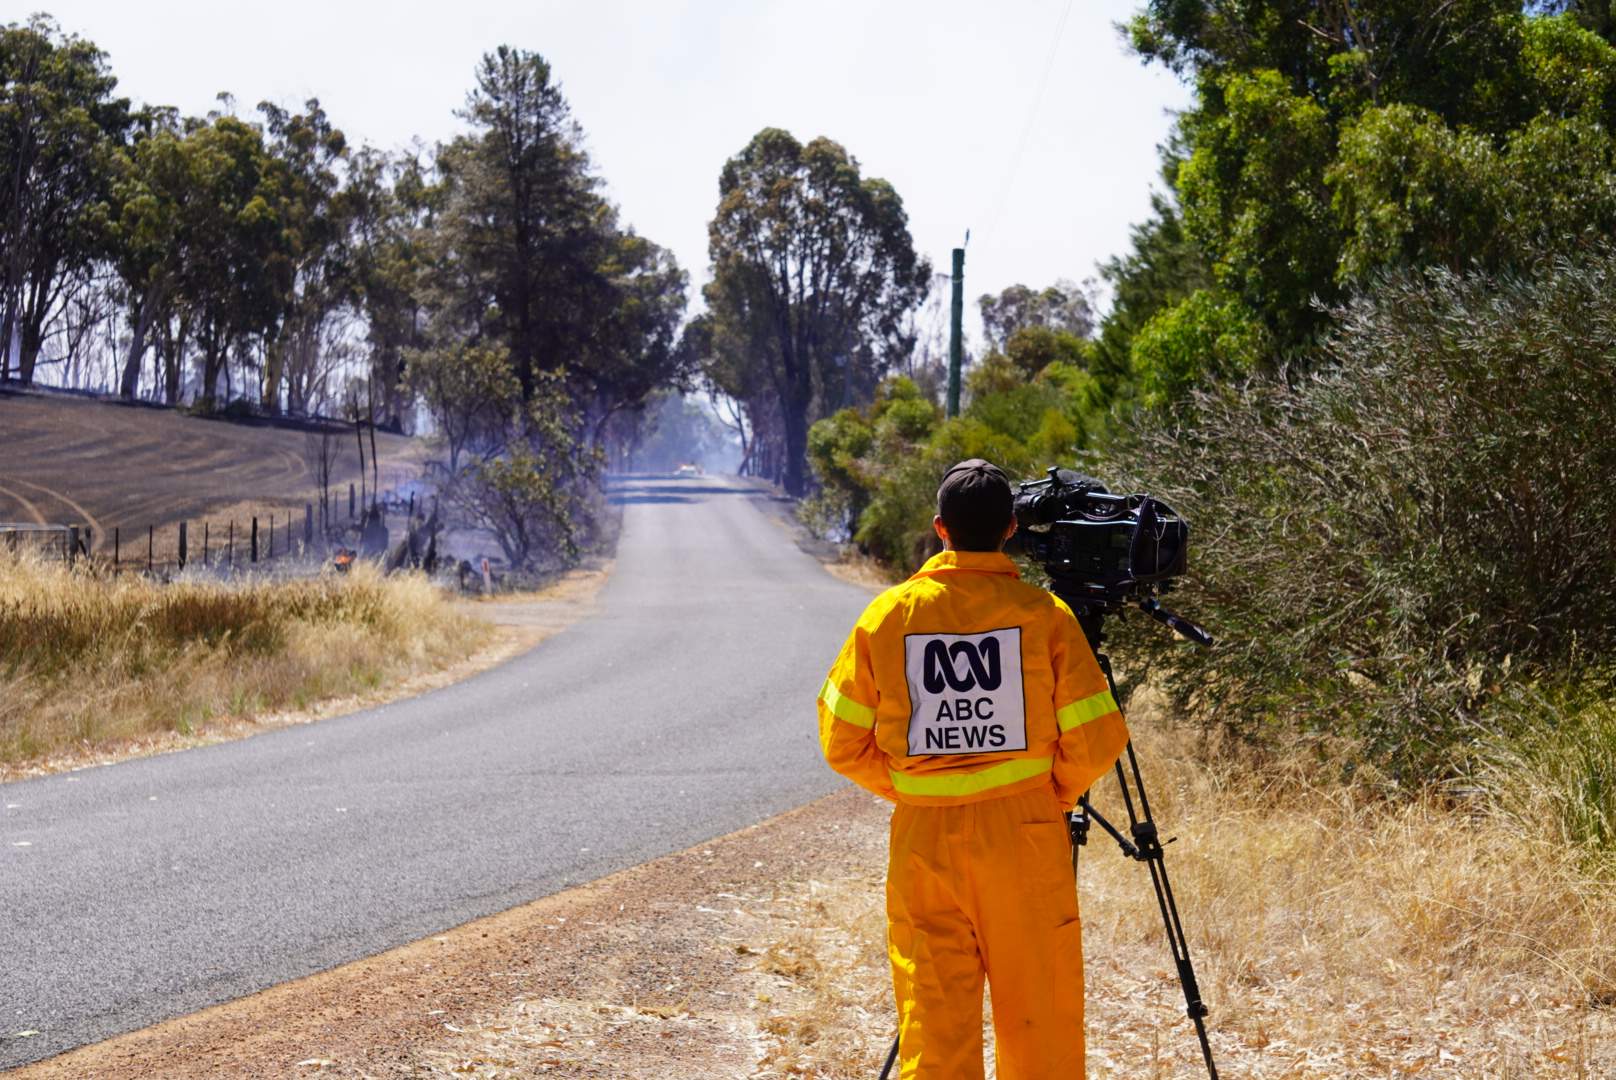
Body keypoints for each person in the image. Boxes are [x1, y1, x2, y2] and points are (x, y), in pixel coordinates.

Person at [816, 458, 1130, 1079]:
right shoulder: (1045, 617)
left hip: (923, 839)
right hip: (1025, 836)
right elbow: (1097, 737)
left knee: (934, 1025)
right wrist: (1048, 794)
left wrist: (914, 787)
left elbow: (841, 742)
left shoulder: (887, 617)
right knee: (1039, 1016)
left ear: (940, 529)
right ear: (1011, 528)